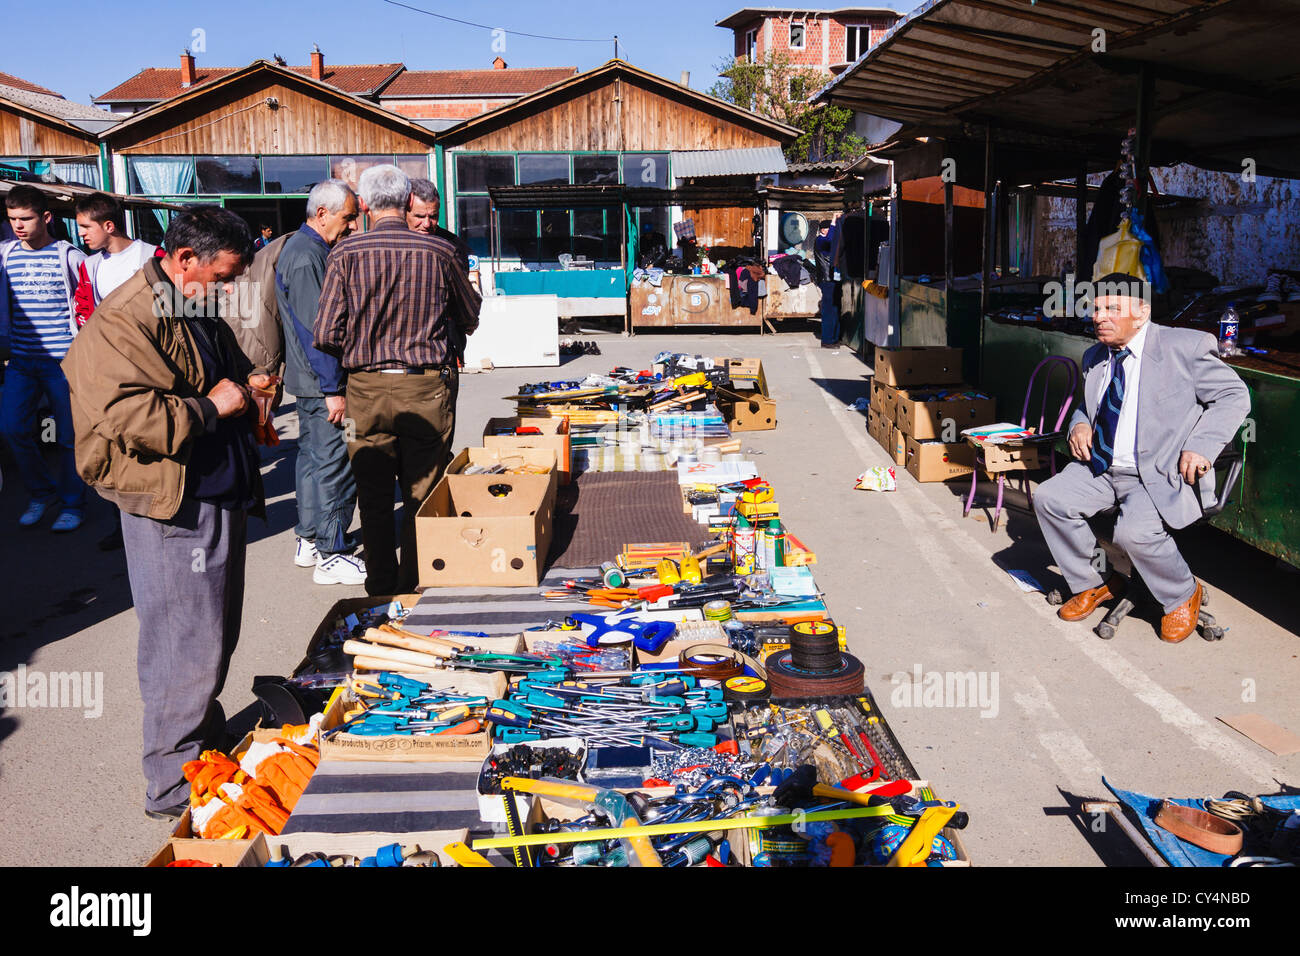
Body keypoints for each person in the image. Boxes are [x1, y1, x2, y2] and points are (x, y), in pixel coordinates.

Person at [62, 205, 271, 819]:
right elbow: (130, 418)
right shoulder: (124, 320)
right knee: (184, 639)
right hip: (171, 498)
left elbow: (224, 368)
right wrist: (213, 409)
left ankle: (198, 747)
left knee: (211, 631)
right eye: (224, 277)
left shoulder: (185, 297)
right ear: (183, 260)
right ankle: (172, 784)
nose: (228, 290)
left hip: (209, 487)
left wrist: (253, 386)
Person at [1033, 274, 1251, 643]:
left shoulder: (1185, 346)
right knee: (1050, 499)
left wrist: (1201, 444)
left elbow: (1234, 395)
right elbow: (1086, 407)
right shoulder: (1094, 355)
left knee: (1133, 532)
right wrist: (1080, 425)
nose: (1099, 317)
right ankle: (1095, 582)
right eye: (1097, 308)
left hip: (1157, 470)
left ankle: (1183, 593)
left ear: (1141, 312)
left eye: (1112, 309)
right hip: (1104, 467)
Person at [314, 165, 481, 595]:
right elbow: (470, 317)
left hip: (364, 391)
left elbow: (326, 334)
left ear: (364, 205)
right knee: (422, 490)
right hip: (425, 387)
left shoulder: (345, 254)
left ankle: (382, 586)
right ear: (408, 202)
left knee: (371, 491)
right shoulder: (440, 253)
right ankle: (414, 584)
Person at [274, 179, 366, 584]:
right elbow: (320, 331)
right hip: (322, 383)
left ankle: (310, 540)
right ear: (322, 213)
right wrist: (334, 390)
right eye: (346, 218)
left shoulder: (301, 249)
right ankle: (332, 551)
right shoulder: (308, 255)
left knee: (313, 462)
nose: (349, 227)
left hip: (309, 382)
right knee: (335, 464)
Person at [73, 192, 162, 551]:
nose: (82, 235)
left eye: (85, 227)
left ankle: (156, 513)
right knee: (114, 444)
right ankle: (122, 524)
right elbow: (83, 306)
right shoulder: (91, 266)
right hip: (109, 371)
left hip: (151, 368)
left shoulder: (151, 256)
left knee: (149, 438)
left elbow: (170, 306)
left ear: (109, 225)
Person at [1, 184, 88, 532]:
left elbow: (86, 303)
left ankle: (72, 503)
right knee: (11, 429)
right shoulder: (5, 254)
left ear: (46, 217)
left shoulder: (68, 255)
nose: (18, 225)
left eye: (26, 218)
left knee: (67, 437)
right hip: (21, 361)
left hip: (62, 362)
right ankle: (42, 493)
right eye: (12, 219)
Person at [406, 178, 472, 365]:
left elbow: (462, 299)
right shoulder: (387, 245)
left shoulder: (453, 246)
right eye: (419, 216)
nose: (427, 224)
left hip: (442, 348)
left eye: (433, 216)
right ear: (404, 211)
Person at [814, 217, 839, 348]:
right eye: (829, 228)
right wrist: (834, 223)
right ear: (824, 230)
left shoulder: (826, 241)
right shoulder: (820, 240)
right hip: (826, 279)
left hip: (832, 278)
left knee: (834, 310)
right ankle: (827, 340)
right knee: (829, 310)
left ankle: (834, 338)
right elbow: (830, 240)